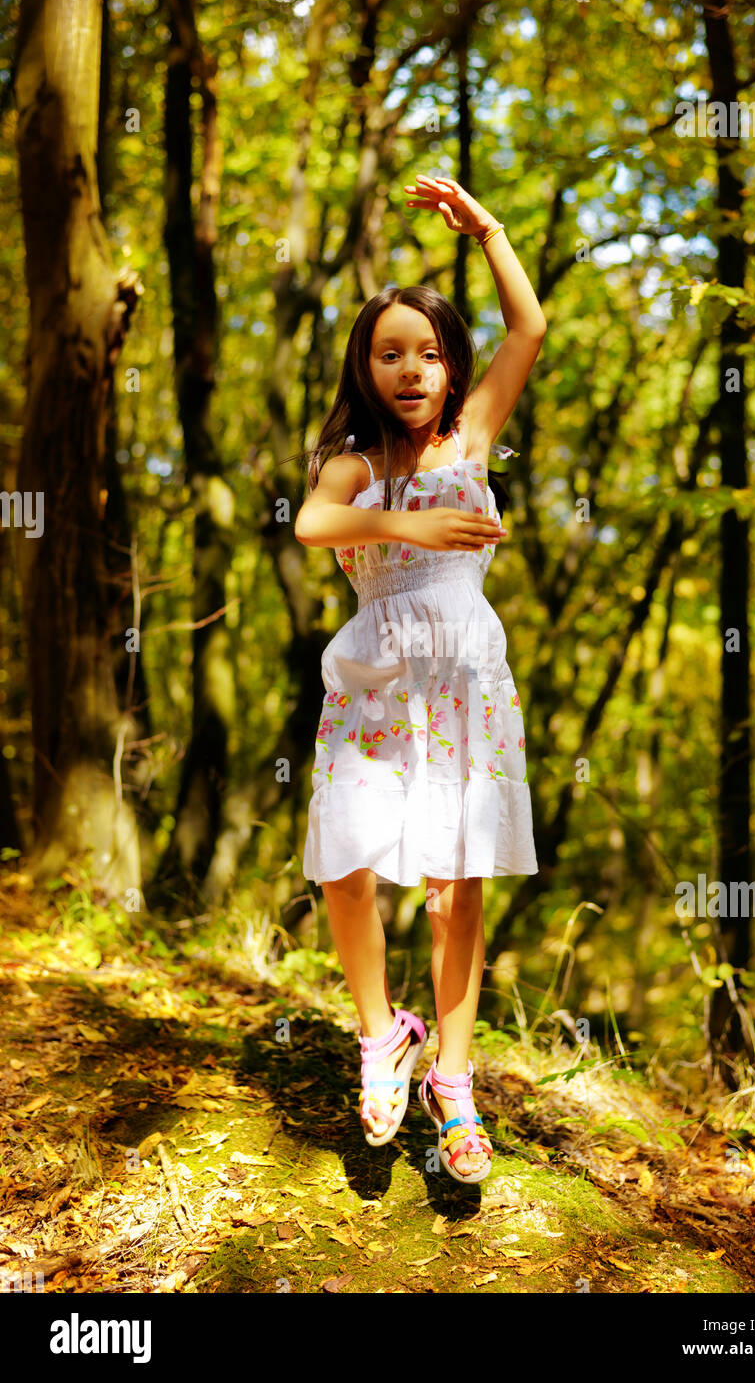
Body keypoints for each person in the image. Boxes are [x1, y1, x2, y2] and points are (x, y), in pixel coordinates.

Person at [294, 174, 546, 1183]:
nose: (410, 370)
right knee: (344, 864)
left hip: (463, 690)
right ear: (364, 366)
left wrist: (483, 226)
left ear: (451, 370)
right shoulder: (355, 463)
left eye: (429, 354)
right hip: (370, 689)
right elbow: (315, 525)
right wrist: (410, 522)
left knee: (454, 894)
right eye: (388, 353)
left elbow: (527, 327)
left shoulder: (472, 440)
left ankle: (454, 1076)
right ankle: (376, 1034)